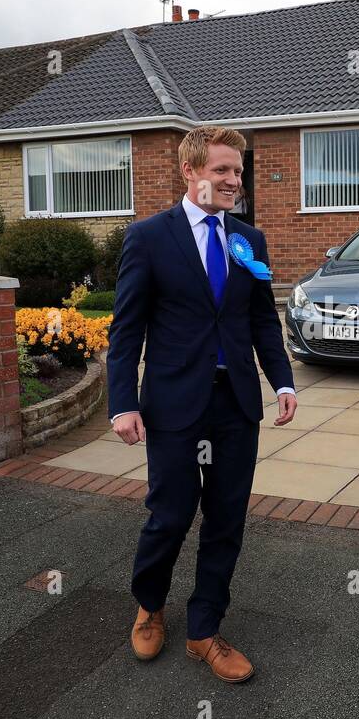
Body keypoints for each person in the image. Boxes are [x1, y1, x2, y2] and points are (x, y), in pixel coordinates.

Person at [107, 126, 297, 683]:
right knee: (169, 515)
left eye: (238, 171)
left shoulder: (249, 240)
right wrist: (123, 402)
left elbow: (262, 317)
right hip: (173, 403)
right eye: (222, 170)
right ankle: (150, 604)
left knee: (226, 519)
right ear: (189, 172)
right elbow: (127, 330)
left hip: (235, 402)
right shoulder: (148, 237)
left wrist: (282, 382)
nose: (233, 180)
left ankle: (204, 629)